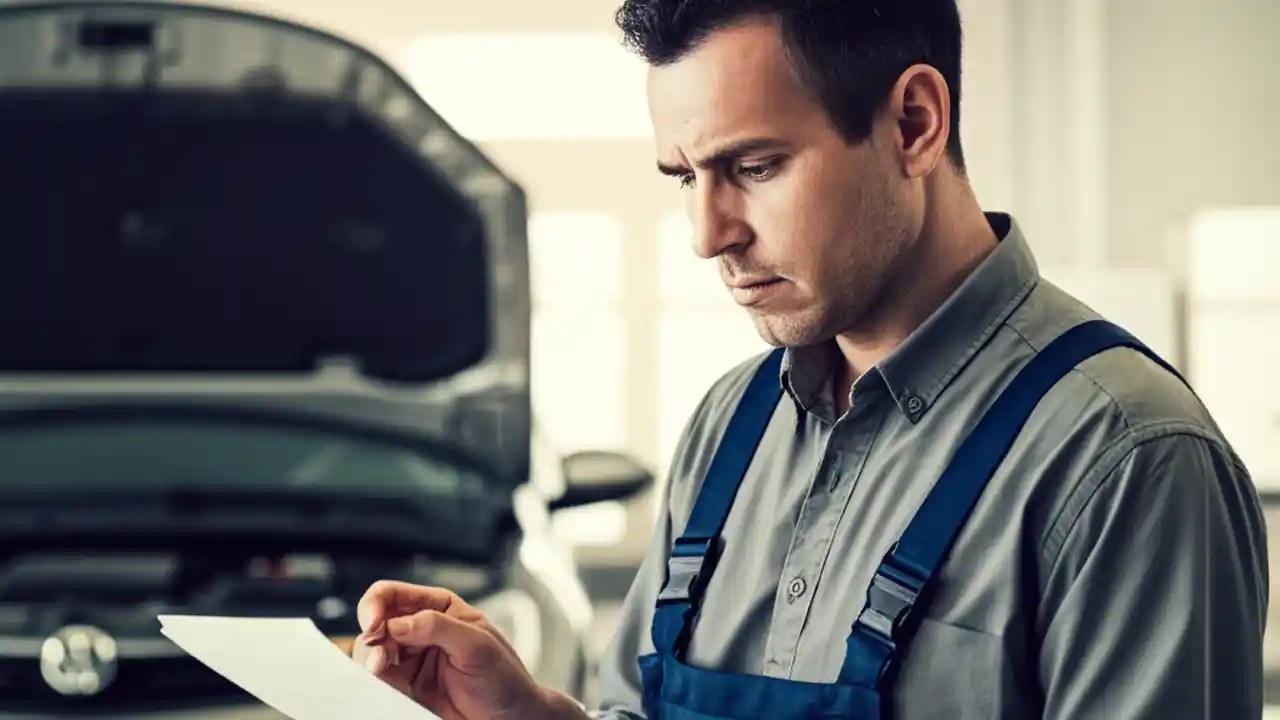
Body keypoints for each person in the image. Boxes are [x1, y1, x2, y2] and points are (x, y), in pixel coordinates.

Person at [352, 1, 1269, 718]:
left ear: (915, 122)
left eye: (753, 166)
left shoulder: (1127, 462)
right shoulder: (729, 426)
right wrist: (531, 716)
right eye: (684, 178)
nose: (708, 235)